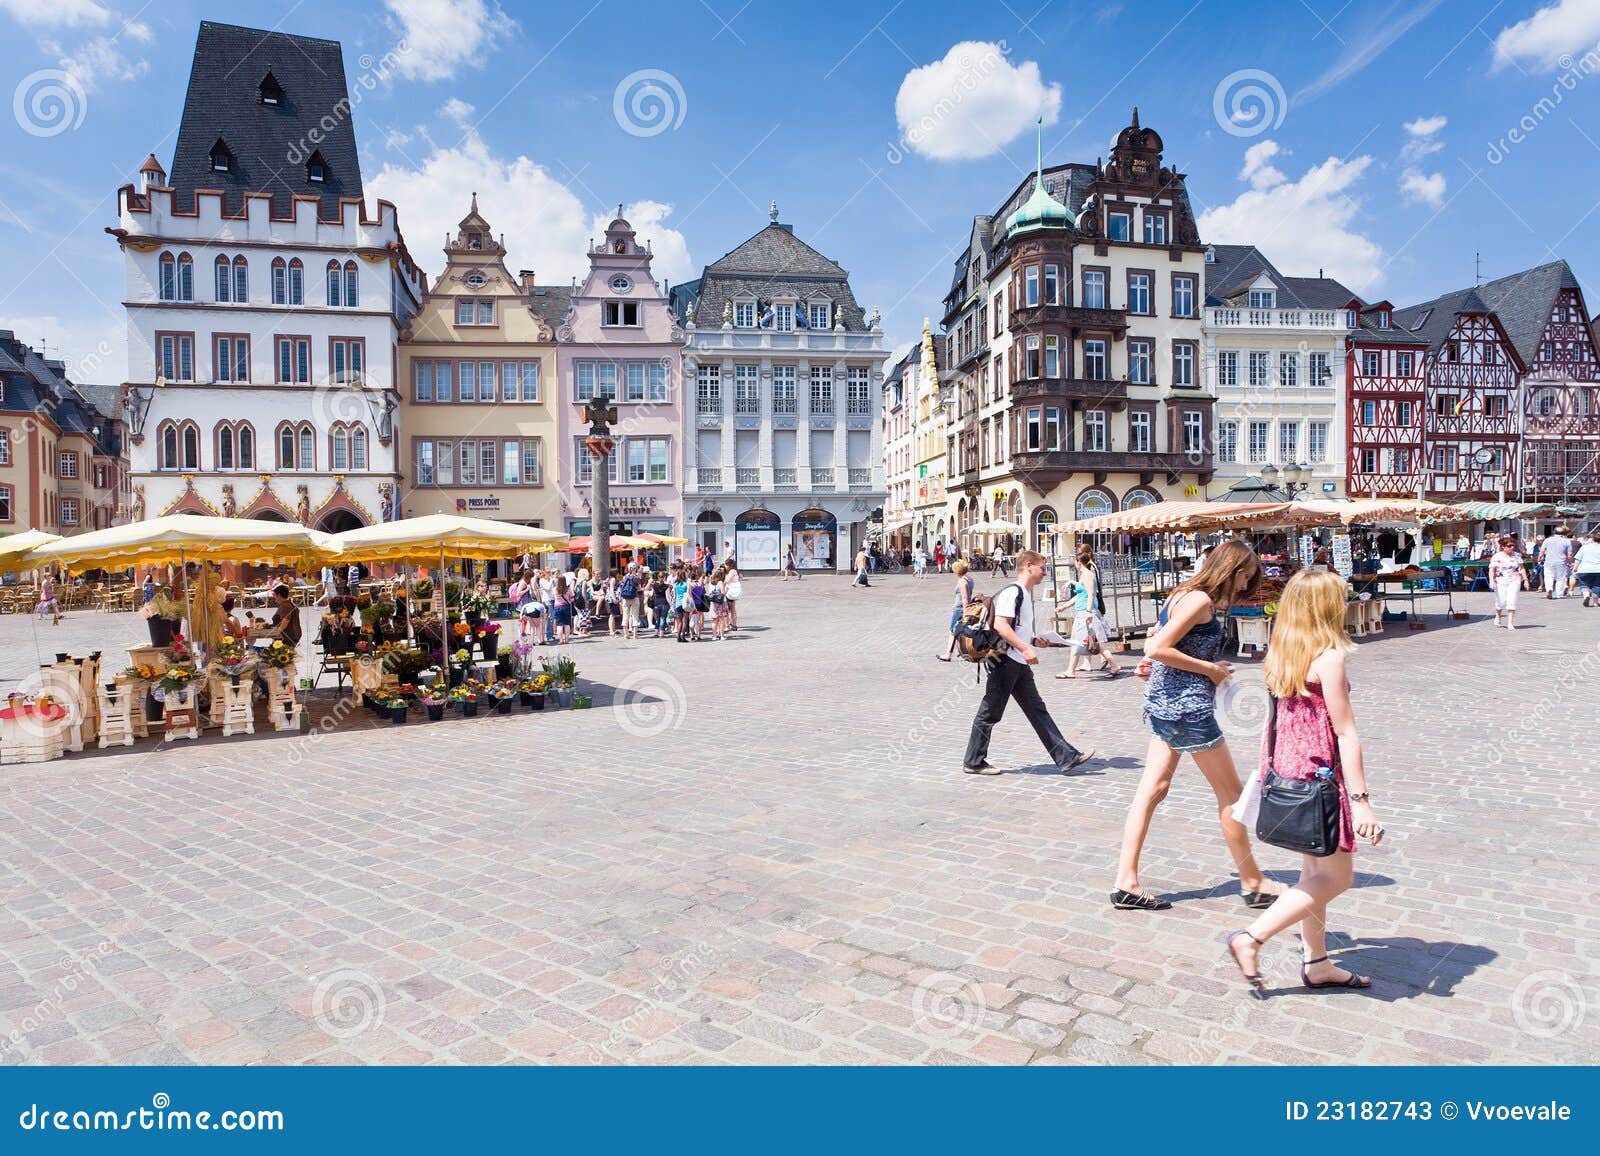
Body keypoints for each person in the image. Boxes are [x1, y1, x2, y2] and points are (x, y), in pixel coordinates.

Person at [1225, 570, 1383, 994]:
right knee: (1336, 878)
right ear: (1327, 608)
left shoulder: (1282, 652)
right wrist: (1362, 800)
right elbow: (1345, 732)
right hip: (1320, 777)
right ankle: (1251, 937)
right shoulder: (1329, 657)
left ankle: (1317, 963)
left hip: (1290, 774)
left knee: (1314, 874)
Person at [1110, 540, 1280, 912]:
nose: (1242, 586)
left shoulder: (1181, 594)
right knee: (1232, 797)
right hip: (1187, 709)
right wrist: (1212, 670)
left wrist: (1188, 666)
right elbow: (1158, 649)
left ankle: (1126, 881)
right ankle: (1252, 881)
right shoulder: (1200, 601)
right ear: (1233, 571)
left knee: (1153, 790)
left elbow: (1154, 642)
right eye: (1244, 578)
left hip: (1163, 704)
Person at [962, 550, 1096, 776]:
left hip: (1017, 662)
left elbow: (1017, 628)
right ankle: (973, 761)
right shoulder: (1013, 592)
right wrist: (1025, 648)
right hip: (1004, 660)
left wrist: (1034, 640)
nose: (1045, 572)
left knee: (1036, 709)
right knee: (990, 712)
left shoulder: (1025, 593)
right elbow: (1001, 626)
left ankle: (1066, 757)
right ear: (1028, 566)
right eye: (1042, 568)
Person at [1059, 545, 1124, 680]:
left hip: (1086, 613)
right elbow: (1079, 596)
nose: (1074, 565)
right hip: (1082, 612)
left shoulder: (1088, 575)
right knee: (1082, 642)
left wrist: (1088, 612)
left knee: (1092, 643)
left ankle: (1113, 666)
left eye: (1075, 562)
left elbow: (1091, 594)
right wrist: (1064, 607)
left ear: (1079, 562)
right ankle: (1071, 670)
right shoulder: (1084, 576)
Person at [938, 559, 975, 662]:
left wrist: (966, 611)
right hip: (963, 608)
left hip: (960, 609)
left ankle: (948, 654)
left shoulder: (962, 581)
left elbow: (964, 597)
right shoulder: (969, 579)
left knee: (953, 631)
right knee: (958, 631)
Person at [1490, 535, 1528, 629]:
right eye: (1509, 545)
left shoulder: (1517, 556)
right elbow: (1492, 569)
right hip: (1500, 581)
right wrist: (1491, 581)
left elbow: (1522, 568)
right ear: (1503, 546)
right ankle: (1498, 616)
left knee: (1512, 600)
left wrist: (1525, 580)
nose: (1512, 547)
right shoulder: (1496, 556)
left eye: (1513, 545)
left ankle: (1510, 623)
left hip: (1514, 580)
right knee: (1501, 601)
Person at [1538, 525, 1574, 599]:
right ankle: (1559, 594)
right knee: (1560, 578)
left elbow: (1542, 551)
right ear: (1563, 533)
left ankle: (1549, 589)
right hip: (1562, 562)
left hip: (1549, 561)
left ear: (1554, 532)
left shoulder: (1547, 540)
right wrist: (1570, 562)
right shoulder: (1567, 541)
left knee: (1548, 576)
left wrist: (1539, 559)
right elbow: (1569, 554)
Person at [268, 584, 302, 649]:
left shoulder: (285, 606)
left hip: (287, 637)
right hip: (291, 635)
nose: (274, 597)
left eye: (274, 595)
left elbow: (286, 620)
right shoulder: (288, 604)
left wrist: (276, 632)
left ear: (279, 595)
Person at [1575, 531, 1600, 608]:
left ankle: (1586, 596)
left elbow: (1578, 558)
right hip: (1598, 569)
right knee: (1597, 585)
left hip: (1584, 569)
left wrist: (1575, 567)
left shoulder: (1585, 547)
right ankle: (1596, 603)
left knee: (1584, 584)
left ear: (1592, 539)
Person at [723, 561, 742, 631]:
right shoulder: (736, 571)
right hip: (735, 592)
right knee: (733, 609)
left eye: (726, 565)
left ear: (729, 565)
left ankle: (727, 625)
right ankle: (734, 625)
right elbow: (741, 578)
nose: (725, 566)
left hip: (730, 592)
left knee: (727, 610)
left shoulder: (732, 571)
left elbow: (727, 580)